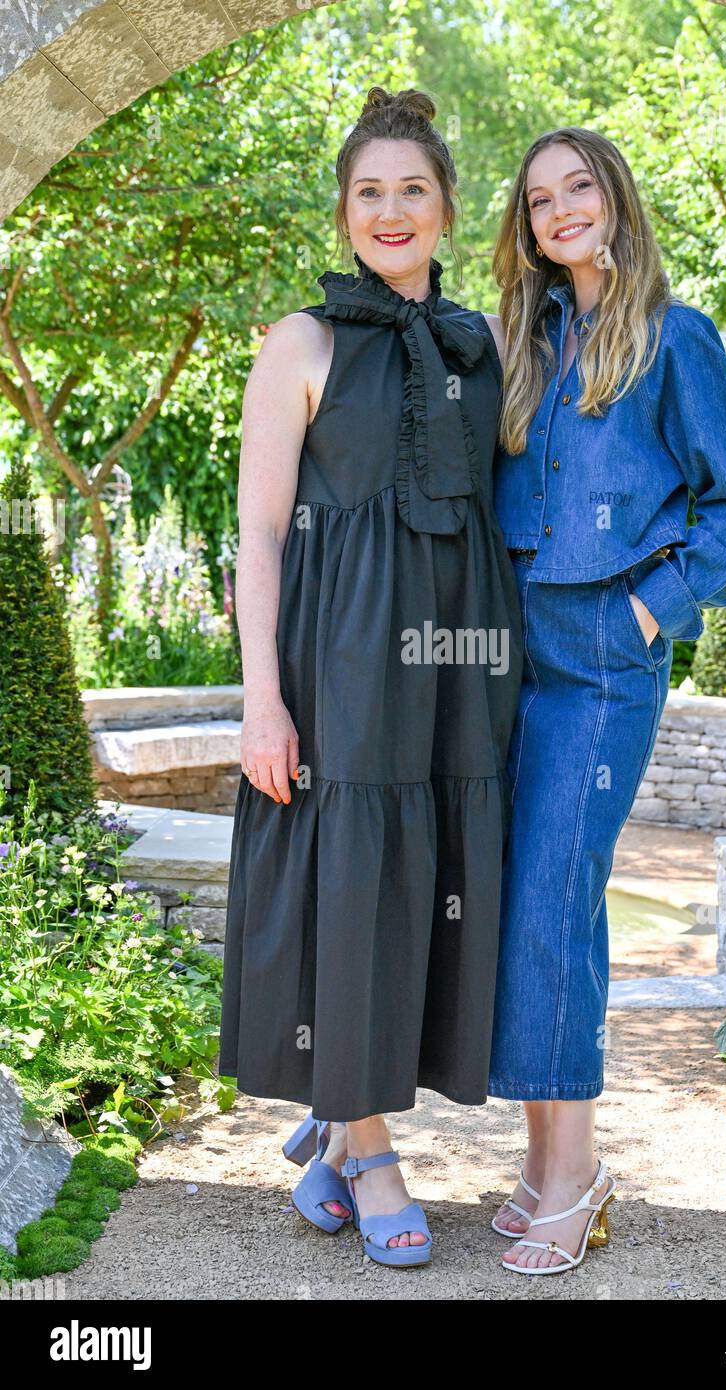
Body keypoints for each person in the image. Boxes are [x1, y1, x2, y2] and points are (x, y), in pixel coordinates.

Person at [217, 86, 522, 1268]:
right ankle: (370, 1143)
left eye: (412, 190)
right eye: (367, 192)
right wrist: (261, 698)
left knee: (428, 877)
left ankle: (340, 1128)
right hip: (338, 659)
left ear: (447, 208)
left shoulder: (484, 342)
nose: (390, 211)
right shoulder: (300, 341)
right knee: (350, 878)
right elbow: (256, 535)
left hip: (458, 660)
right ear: (343, 211)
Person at [486, 127, 726, 1275]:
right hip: (502, 648)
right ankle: (542, 1161)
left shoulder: (676, 341)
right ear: (525, 223)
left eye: (579, 188)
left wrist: (645, 613)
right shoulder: (521, 338)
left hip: (605, 657)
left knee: (558, 893)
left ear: (614, 198)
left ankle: (574, 1175)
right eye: (539, 198)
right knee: (519, 897)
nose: (560, 210)